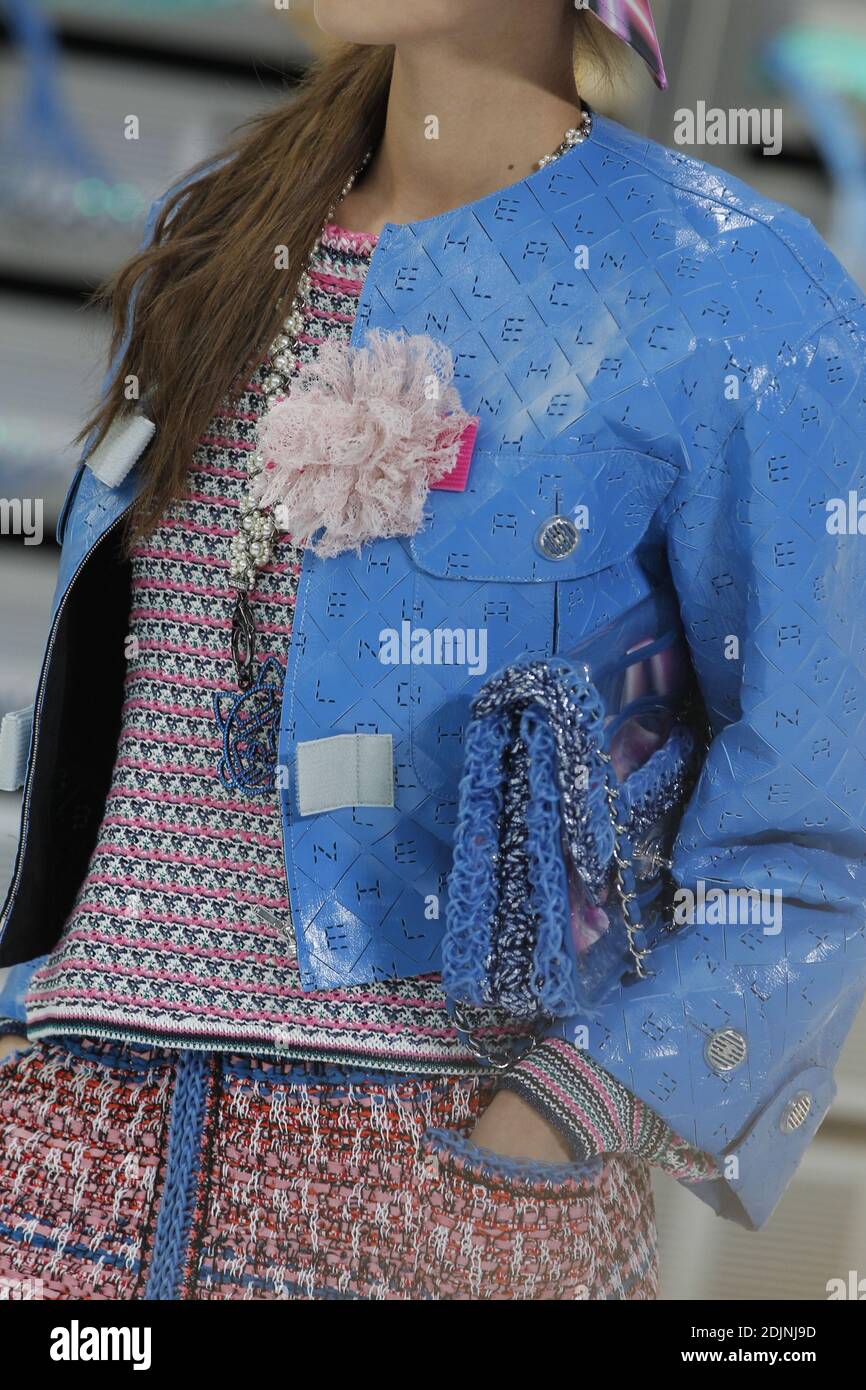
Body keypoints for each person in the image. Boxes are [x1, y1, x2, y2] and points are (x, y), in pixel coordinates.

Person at [0, 0, 864, 1301]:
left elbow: (821, 817)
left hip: (435, 1184)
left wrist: (571, 1107)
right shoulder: (216, 228)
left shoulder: (734, 287)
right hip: (64, 1165)